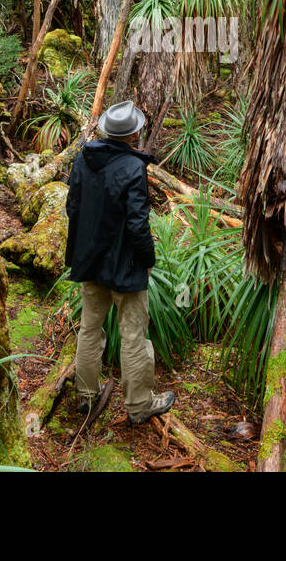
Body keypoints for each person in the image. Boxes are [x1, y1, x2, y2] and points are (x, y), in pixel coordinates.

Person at [64, 100, 176, 424]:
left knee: (89, 329)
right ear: (134, 133)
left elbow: (73, 207)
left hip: (91, 262)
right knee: (133, 336)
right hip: (126, 267)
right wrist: (148, 260)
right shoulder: (133, 168)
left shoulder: (84, 158)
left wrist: (79, 252)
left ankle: (86, 397)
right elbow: (138, 225)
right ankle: (139, 405)